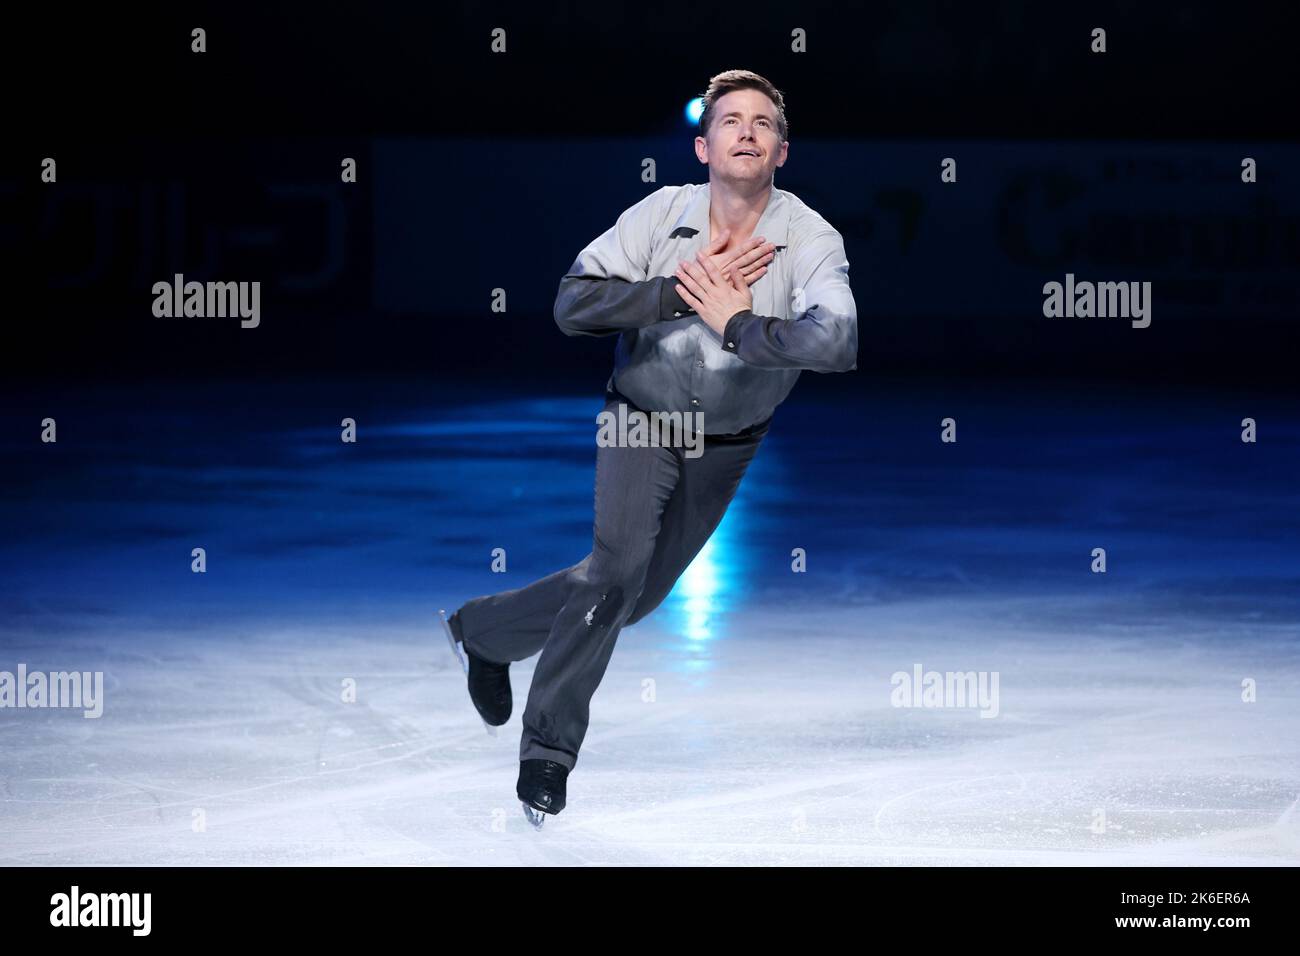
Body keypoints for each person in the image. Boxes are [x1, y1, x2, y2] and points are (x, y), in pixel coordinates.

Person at [442, 69, 858, 826]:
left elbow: (837, 340)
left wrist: (738, 324)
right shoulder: (660, 214)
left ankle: (487, 631)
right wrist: (675, 292)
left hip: (729, 440)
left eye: (763, 123)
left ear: (783, 150)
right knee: (615, 573)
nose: (746, 132)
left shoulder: (809, 238)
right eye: (731, 121)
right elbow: (572, 302)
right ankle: (549, 752)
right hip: (641, 416)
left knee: (633, 598)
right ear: (703, 145)